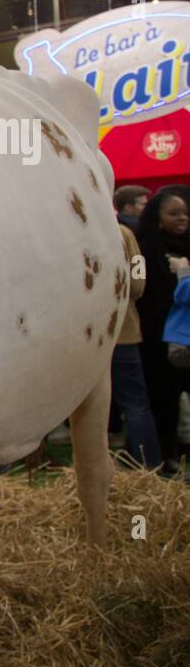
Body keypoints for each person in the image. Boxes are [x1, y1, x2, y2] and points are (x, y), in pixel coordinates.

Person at [134, 186, 190, 476]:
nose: (182, 218)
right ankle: (167, 457)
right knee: (165, 402)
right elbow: (145, 296)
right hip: (160, 342)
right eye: (174, 213)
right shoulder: (146, 250)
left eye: (185, 213)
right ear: (157, 218)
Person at [110, 223, 161, 470]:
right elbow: (139, 279)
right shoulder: (123, 233)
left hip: (77, 336)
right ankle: (148, 465)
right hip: (122, 329)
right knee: (135, 404)